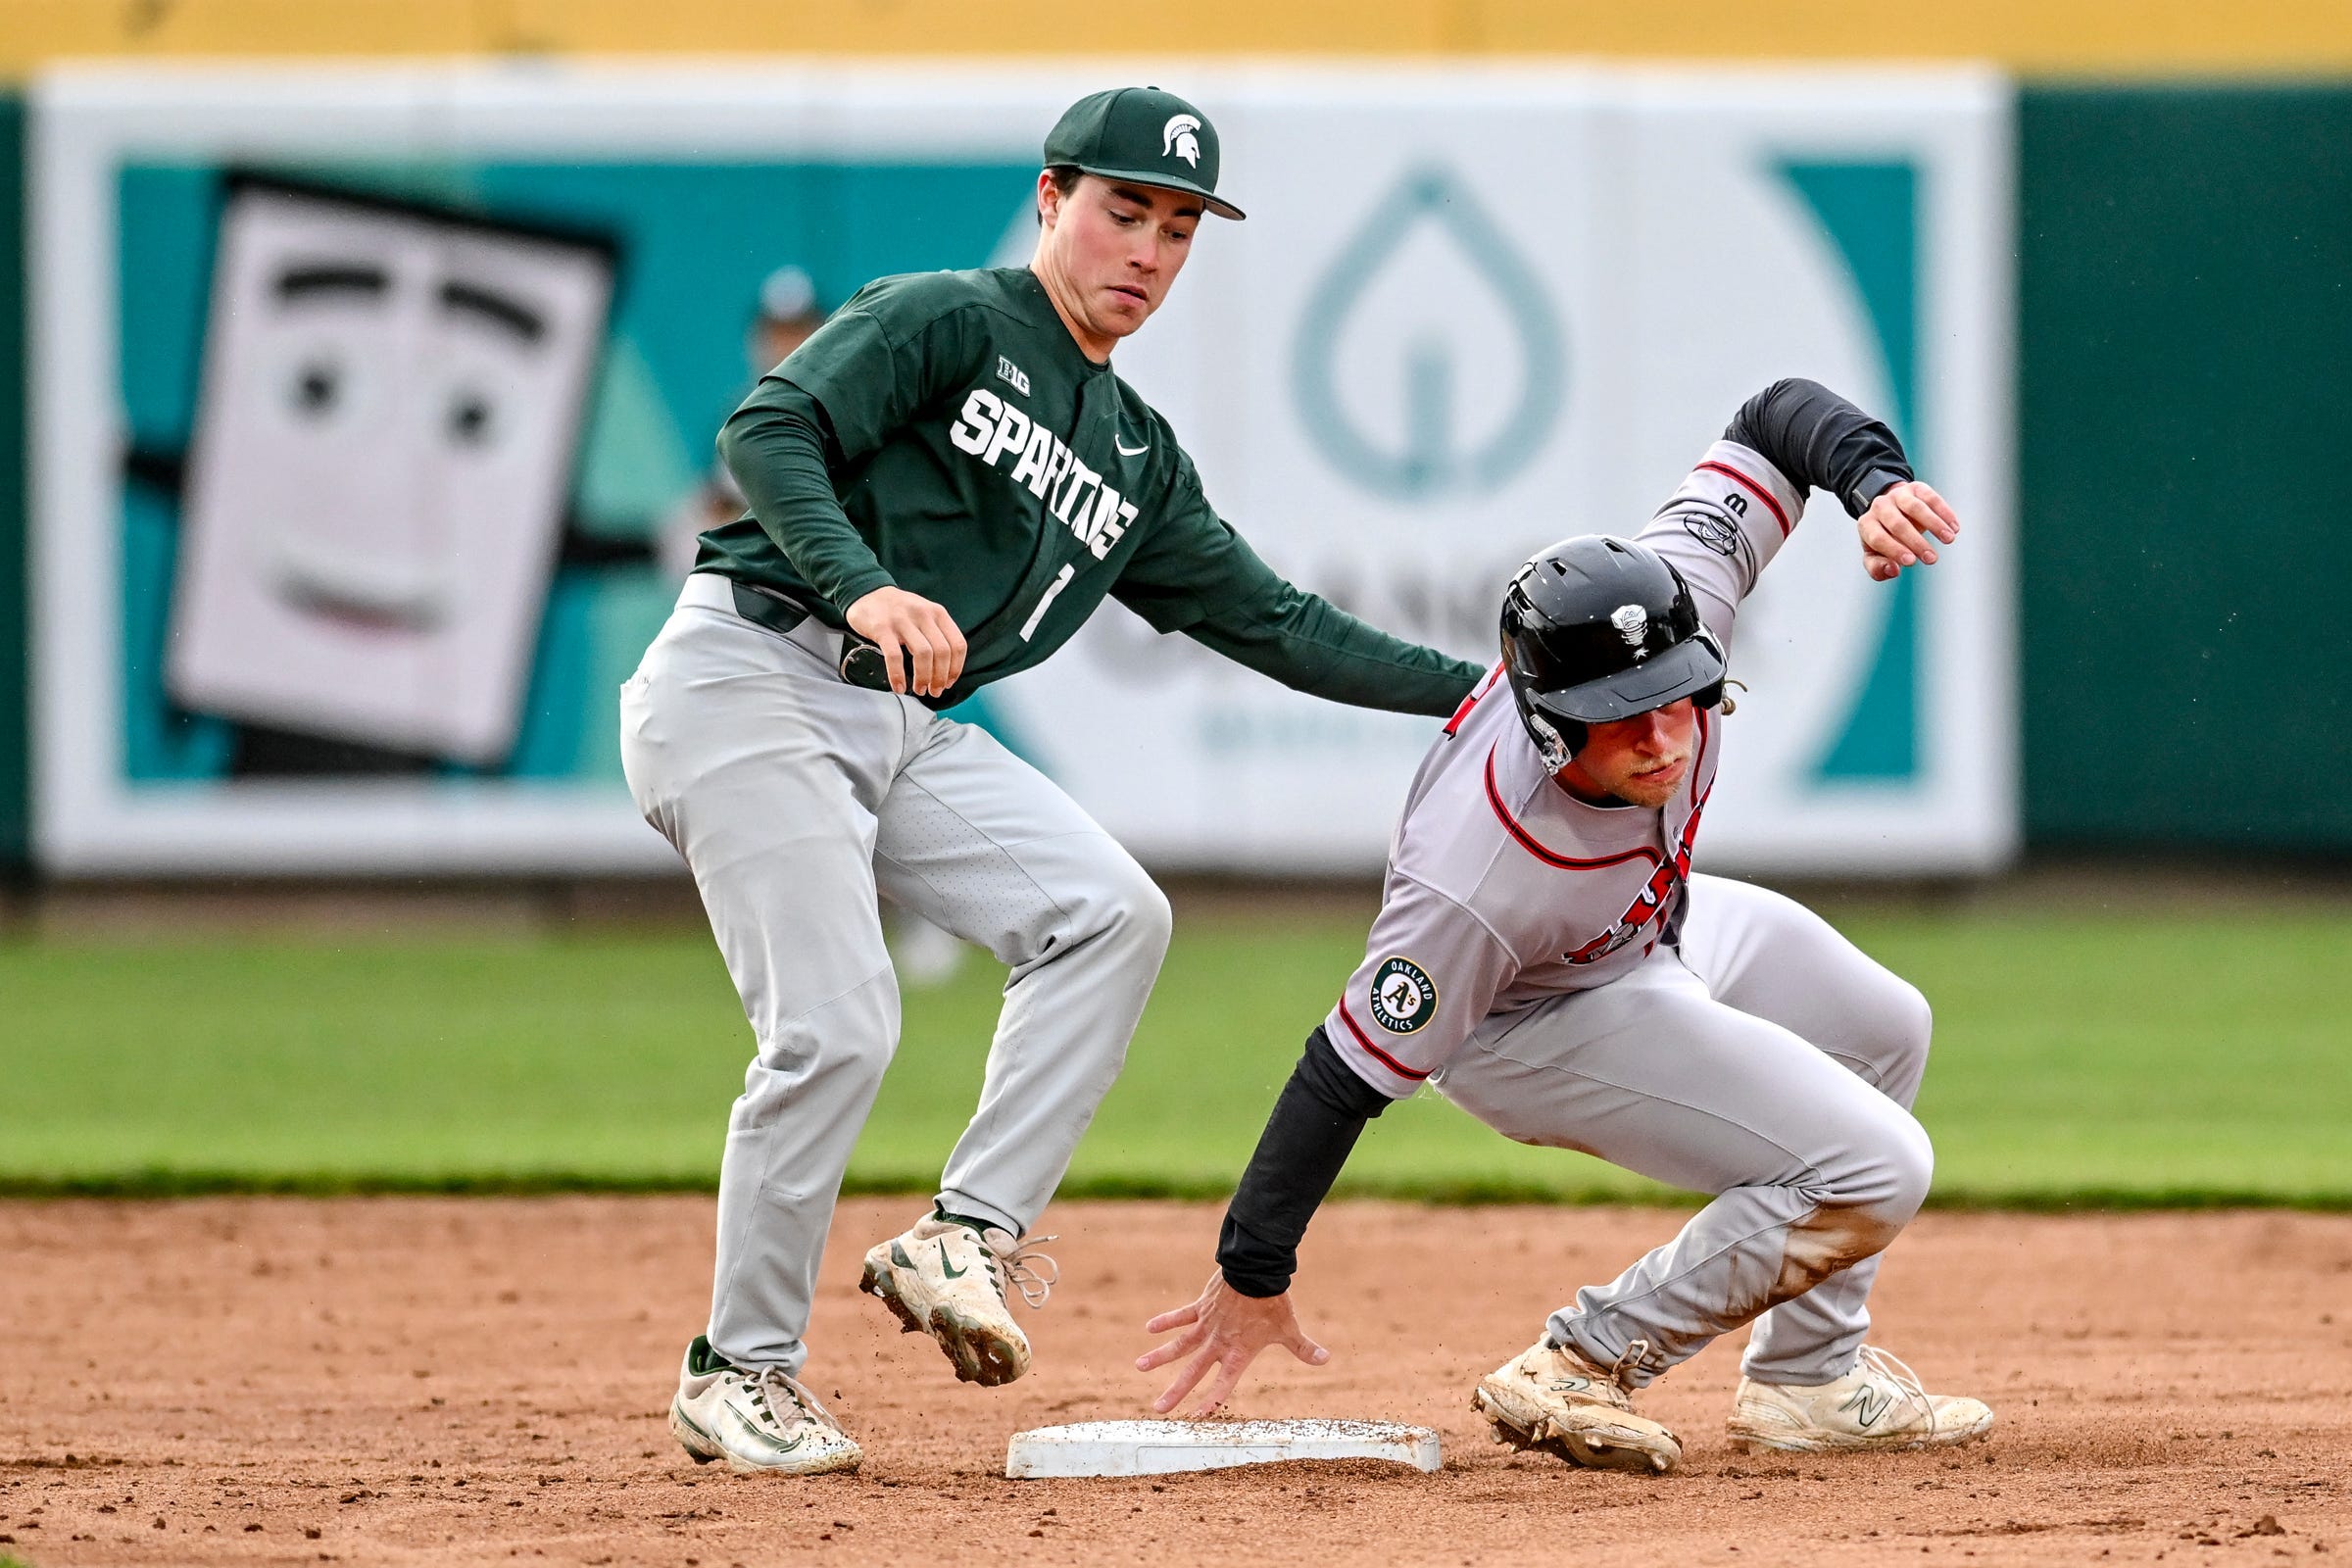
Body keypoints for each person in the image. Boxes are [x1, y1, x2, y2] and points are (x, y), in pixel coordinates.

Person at [619, 85, 1485, 1476]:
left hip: (889, 726)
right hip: (749, 678)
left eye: (1179, 227)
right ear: (1050, 201)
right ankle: (742, 1370)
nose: (1146, 248)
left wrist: (1486, 692)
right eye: (1122, 210)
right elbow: (766, 433)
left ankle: (963, 1236)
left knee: (1110, 913)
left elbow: (1278, 625)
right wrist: (864, 584)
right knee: (838, 1028)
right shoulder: (952, 317)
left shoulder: (1135, 455)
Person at [1137, 379, 1994, 1474]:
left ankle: (1808, 1379)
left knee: (1886, 1026)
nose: (1661, 737)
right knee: (1879, 1168)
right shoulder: (1476, 874)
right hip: (1529, 1021)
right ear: (1546, 727)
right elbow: (1342, 1071)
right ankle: (1585, 1356)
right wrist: (1252, 1270)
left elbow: (1779, 418)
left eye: (1679, 695)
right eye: (1618, 717)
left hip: (1647, 922)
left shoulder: (1682, 591)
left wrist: (1870, 484)